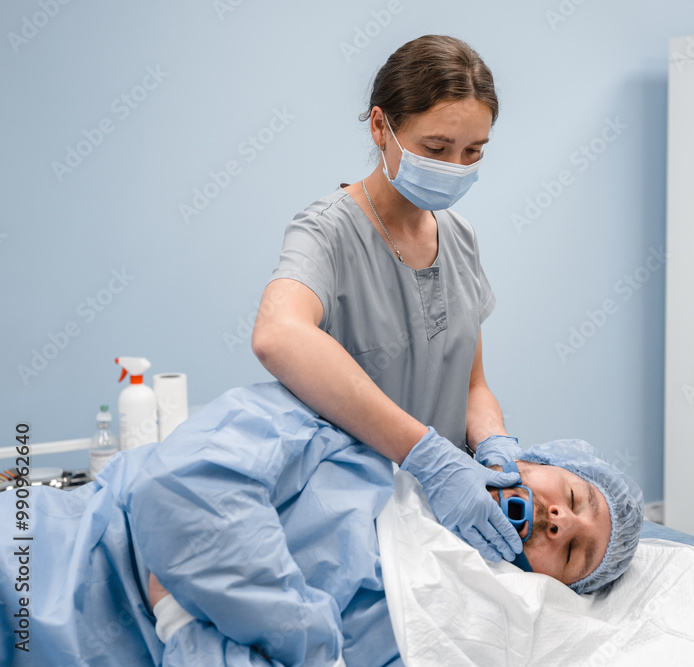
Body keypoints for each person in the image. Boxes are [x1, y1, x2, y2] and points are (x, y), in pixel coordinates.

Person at [0, 382, 644, 666]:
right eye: (574, 496)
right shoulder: (360, 441)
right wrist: (307, 644)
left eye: (574, 554)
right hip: (45, 551)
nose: (559, 521)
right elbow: (181, 487)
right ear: (529, 459)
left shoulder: (444, 638)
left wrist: (184, 624)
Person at [251, 34, 522, 566]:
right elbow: (277, 335)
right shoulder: (326, 232)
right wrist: (426, 455)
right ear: (381, 126)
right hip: (350, 524)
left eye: (473, 152)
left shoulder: (459, 236)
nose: (456, 166)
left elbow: (472, 385)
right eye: (436, 149)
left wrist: (494, 446)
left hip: (442, 517)